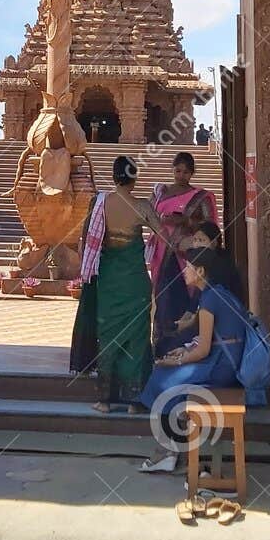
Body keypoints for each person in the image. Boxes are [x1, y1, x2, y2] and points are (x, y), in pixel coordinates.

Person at [139, 247, 250, 472]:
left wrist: (177, 362)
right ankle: (171, 448)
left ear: (200, 270)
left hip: (222, 367)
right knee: (164, 375)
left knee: (162, 380)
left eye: (189, 267)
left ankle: (167, 451)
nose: (185, 272)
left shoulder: (210, 299)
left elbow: (203, 351)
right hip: (222, 359)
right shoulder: (215, 292)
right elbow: (205, 341)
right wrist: (182, 351)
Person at [70, 155, 153, 414]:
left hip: (108, 283)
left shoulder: (100, 205)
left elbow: (87, 241)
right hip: (136, 284)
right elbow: (169, 240)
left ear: (115, 177)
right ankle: (134, 402)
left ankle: (105, 400)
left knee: (108, 337)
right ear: (135, 177)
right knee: (138, 339)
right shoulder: (144, 207)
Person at [147, 152, 216, 357]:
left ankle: (182, 349)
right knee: (163, 301)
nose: (181, 175)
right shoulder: (161, 193)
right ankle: (160, 350)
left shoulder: (200, 197)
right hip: (162, 253)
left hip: (186, 256)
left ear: (192, 173)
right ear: (172, 170)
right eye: (178, 171)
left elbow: (210, 225)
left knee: (185, 300)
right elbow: (148, 215)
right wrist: (161, 220)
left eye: (186, 172)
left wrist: (184, 222)